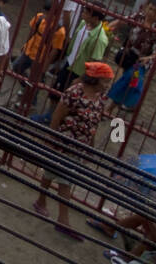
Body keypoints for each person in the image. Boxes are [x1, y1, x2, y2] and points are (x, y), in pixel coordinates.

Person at [33, 62, 115, 239]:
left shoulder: (100, 98)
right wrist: (51, 137)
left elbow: (94, 123)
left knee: (51, 172)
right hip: (64, 141)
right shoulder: (75, 92)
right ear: (96, 79)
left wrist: (90, 147)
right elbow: (57, 116)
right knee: (65, 179)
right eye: (106, 81)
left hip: (80, 144)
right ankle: (63, 221)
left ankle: (41, 201)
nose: (108, 85)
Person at [39, 7, 109, 117]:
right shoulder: (83, 24)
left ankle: (54, 118)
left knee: (67, 99)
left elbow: (95, 63)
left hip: (78, 71)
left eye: (86, 13)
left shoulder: (100, 39)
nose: (83, 14)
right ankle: (50, 114)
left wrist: (81, 79)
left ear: (95, 18)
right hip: (69, 63)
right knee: (55, 92)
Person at [108, 0, 156, 111]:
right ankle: (126, 102)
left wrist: (149, 57)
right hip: (128, 55)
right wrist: (107, 28)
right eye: (150, 9)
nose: (151, 13)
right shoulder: (139, 17)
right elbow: (122, 21)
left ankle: (112, 107)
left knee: (130, 80)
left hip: (141, 61)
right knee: (128, 80)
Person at [11, 0, 66, 84]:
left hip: (41, 58)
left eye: (49, 13)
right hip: (29, 51)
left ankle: (30, 92)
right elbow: (32, 32)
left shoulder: (59, 31)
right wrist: (25, 45)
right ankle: (25, 84)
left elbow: (54, 51)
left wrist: (45, 66)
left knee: (35, 81)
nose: (46, 15)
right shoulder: (39, 18)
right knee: (17, 67)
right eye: (46, 12)